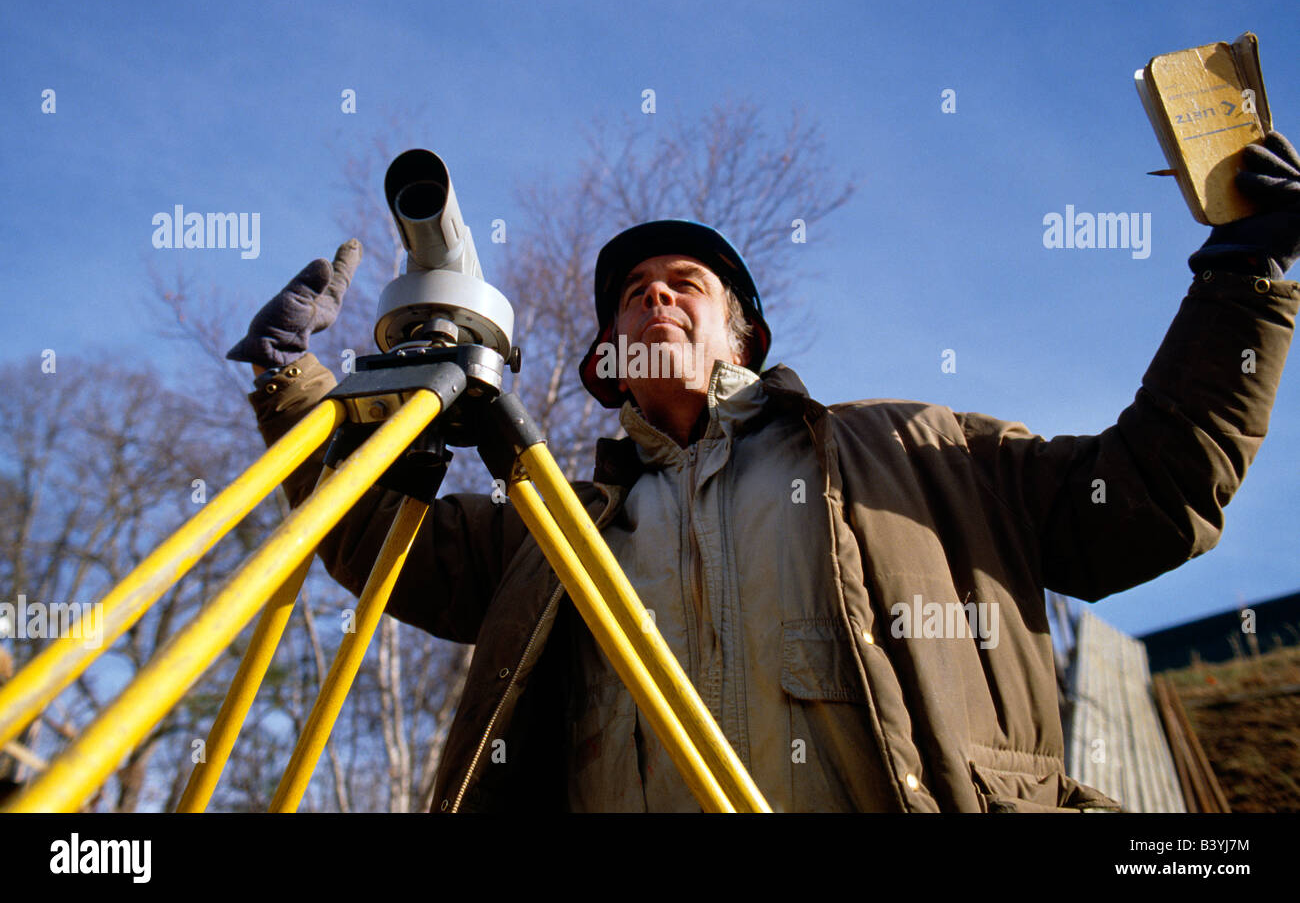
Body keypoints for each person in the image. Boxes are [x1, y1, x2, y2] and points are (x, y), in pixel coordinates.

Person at [228, 132, 1300, 812]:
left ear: (742, 337)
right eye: (631, 291)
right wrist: (296, 390)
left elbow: (1150, 498)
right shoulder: (547, 529)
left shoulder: (922, 457)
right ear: (603, 364)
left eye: (685, 283)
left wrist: (1242, 276)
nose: (655, 297)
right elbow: (374, 542)